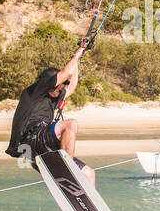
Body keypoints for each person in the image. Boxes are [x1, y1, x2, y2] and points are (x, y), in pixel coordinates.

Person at [5, 42, 95, 185]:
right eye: (59, 86)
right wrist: (77, 54)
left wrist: (76, 60)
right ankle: (68, 171)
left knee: (89, 174)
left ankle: (88, 204)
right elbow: (66, 73)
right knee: (71, 125)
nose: (61, 90)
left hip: (42, 148)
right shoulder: (35, 91)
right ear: (49, 84)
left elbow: (71, 86)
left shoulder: (54, 95)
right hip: (29, 141)